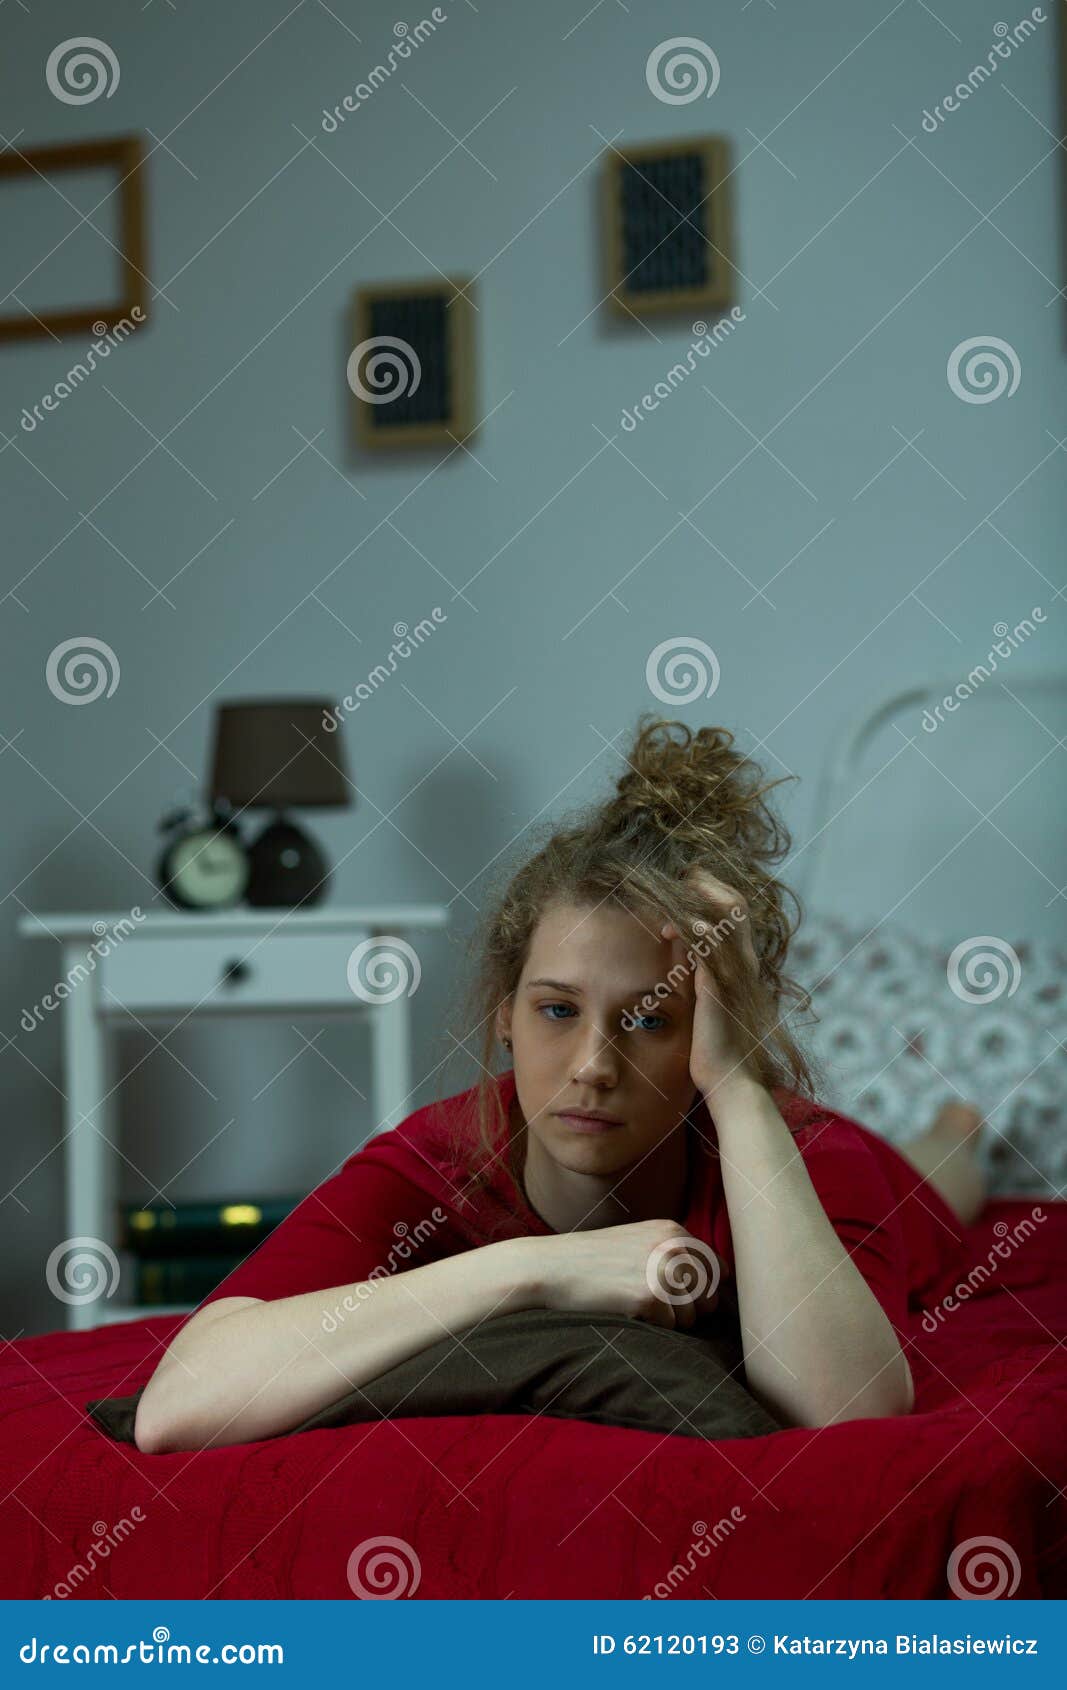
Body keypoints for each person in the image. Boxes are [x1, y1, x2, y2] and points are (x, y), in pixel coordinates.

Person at [133, 716, 987, 1454]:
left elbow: (849, 1411)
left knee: (939, 1182)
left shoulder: (796, 1154)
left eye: (650, 1020)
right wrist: (531, 1271)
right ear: (503, 1012)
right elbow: (175, 1408)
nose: (591, 1065)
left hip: (859, 1162)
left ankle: (960, 1123)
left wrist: (734, 1082)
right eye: (555, 1010)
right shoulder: (438, 1159)